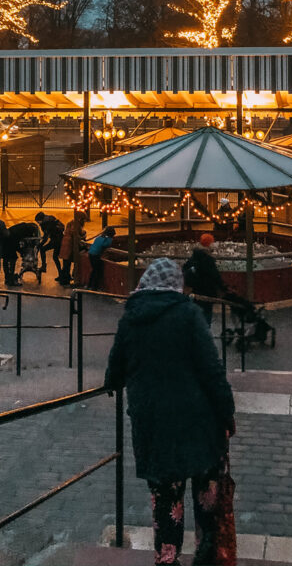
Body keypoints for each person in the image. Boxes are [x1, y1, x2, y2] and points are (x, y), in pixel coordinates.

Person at [105, 258, 236, 566]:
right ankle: (206, 557)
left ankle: (167, 557)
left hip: (154, 428)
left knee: (166, 504)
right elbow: (211, 370)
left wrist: (115, 382)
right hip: (198, 424)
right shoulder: (188, 314)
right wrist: (227, 413)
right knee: (207, 502)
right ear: (176, 282)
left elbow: (115, 369)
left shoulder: (131, 317)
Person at [183, 233, 228, 326]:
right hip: (207, 291)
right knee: (206, 315)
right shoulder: (207, 259)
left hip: (194, 291)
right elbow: (215, 275)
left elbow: (184, 269)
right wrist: (223, 287)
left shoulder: (194, 257)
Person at [57, 212, 88, 286]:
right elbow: (76, 236)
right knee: (68, 264)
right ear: (80, 219)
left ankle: (64, 279)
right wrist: (83, 237)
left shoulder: (70, 223)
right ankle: (66, 280)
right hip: (70, 246)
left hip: (65, 245)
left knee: (66, 263)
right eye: (83, 220)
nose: (84, 222)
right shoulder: (76, 225)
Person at [35, 211, 65, 277]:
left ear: (41, 220)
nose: (38, 223)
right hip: (60, 239)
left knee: (43, 250)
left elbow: (46, 237)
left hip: (56, 241)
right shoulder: (51, 219)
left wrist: (40, 245)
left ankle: (44, 266)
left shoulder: (45, 224)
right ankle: (61, 274)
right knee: (55, 257)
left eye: (38, 221)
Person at [87, 225, 116, 290]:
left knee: (94, 270)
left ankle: (89, 285)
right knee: (97, 271)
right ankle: (94, 287)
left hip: (90, 254)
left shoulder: (99, 237)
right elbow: (106, 245)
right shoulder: (107, 239)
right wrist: (110, 239)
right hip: (96, 255)